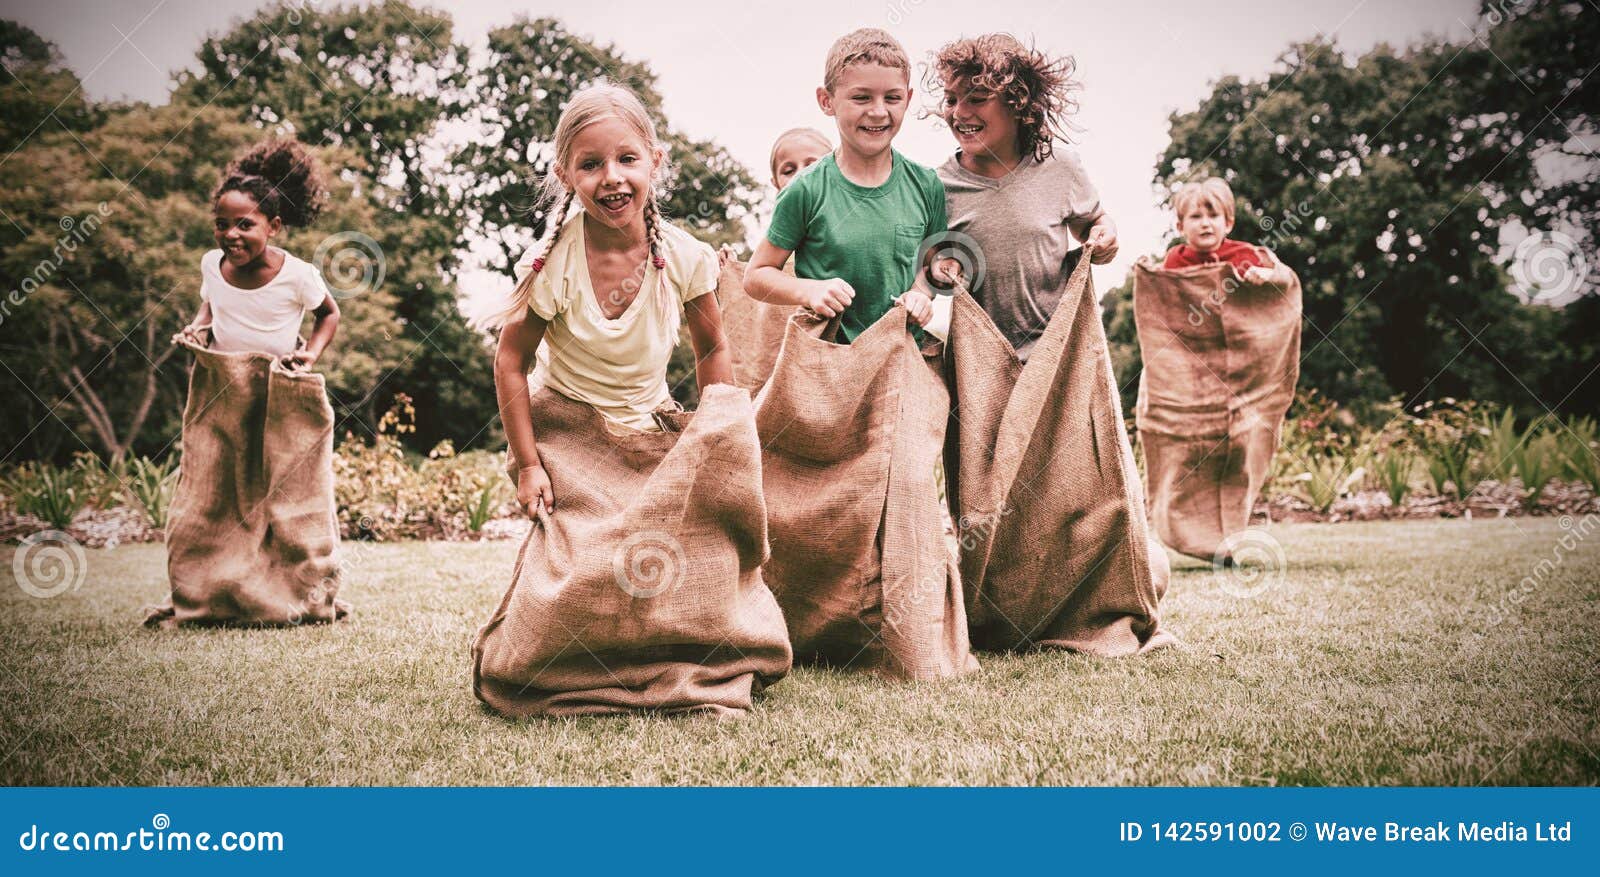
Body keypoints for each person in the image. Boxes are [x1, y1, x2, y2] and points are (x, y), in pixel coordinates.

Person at [743, 27, 947, 340]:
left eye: (892, 98)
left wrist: (921, 293)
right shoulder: (806, 190)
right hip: (825, 364)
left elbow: (935, 263)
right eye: (861, 97)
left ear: (907, 99)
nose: (878, 111)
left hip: (904, 359)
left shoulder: (926, 184)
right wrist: (809, 291)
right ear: (827, 101)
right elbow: (756, 276)